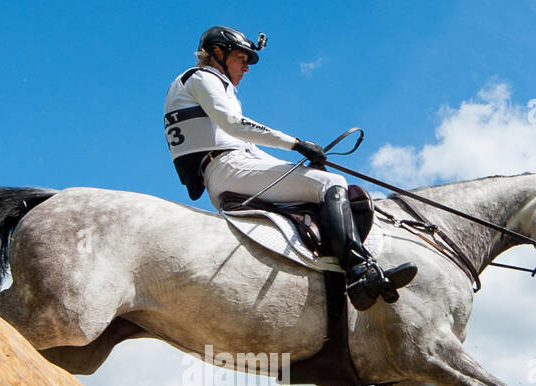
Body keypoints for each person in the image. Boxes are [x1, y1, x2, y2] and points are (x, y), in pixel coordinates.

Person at [164, 26, 417, 310]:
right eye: (241, 59)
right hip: (228, 168)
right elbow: (234, 125)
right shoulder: (204, 78)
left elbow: (245, 146)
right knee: (330, 184)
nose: (246, 68)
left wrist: (298, 164)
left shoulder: (203, 83)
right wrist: (296, 144)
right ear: (217, 54)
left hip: (229, 167)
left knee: (322, 178)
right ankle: (358, 273)